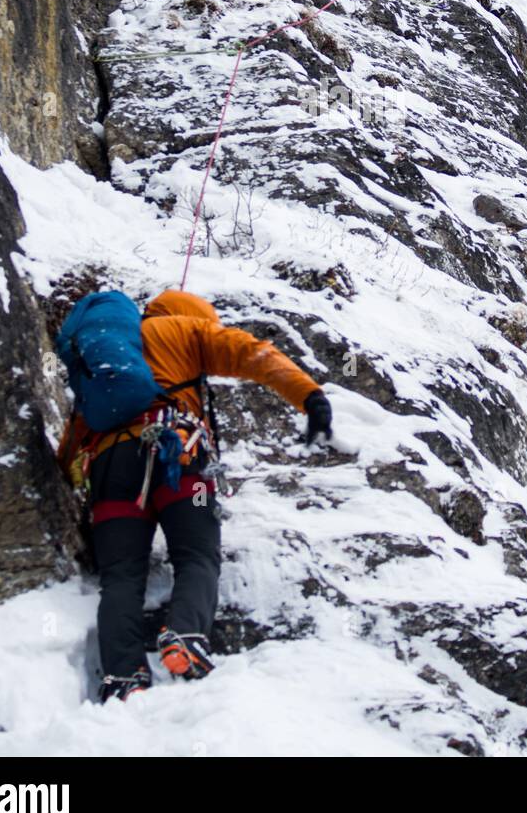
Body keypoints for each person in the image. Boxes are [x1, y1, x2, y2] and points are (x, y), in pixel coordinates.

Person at [57, 288, 332, 702]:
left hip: (112, 471)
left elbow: (76, 436)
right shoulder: (186, 330)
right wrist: (309, 396)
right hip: (182, 464)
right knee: (198, 552)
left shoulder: (110, 360)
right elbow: (250, 353)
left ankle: (123, 676)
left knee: (121, 578)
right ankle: (185, 636)